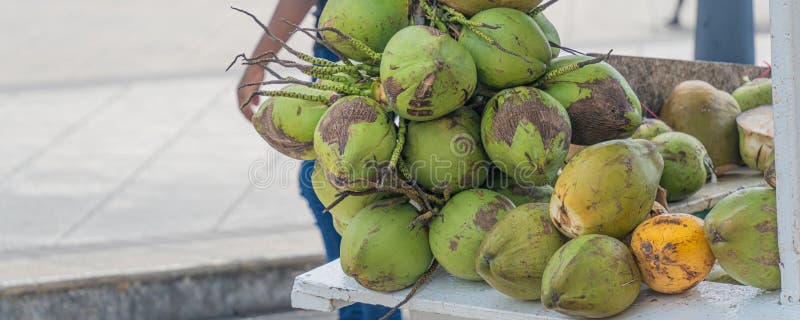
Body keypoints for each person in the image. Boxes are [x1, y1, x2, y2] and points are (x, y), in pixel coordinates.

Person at [236, 1, 401, 320]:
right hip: (345, 44)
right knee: (333, 186)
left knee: (356, 194)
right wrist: (261, 58)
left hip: (397, 46)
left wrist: (262, 57)